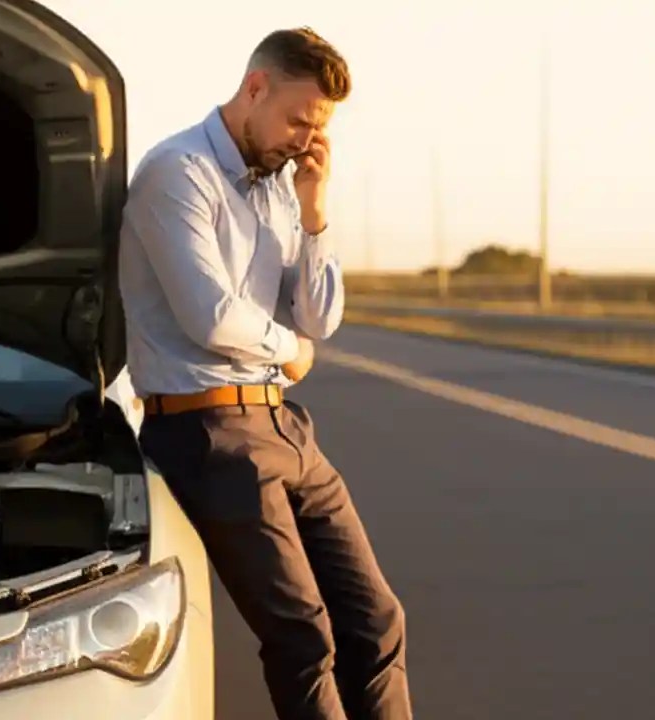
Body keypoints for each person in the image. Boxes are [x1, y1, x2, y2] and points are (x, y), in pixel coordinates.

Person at [117, 27, 412, 720]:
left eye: (319, 130)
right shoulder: (176, 172)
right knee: (303, 638)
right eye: (299, 120)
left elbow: (321, 316)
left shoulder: (284, 186)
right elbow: (211, 316)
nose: (305, 141)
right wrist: (290, 351)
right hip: (207, 431)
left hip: (282, 424)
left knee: (376, 620)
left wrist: (314, 215)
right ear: (256, 88)